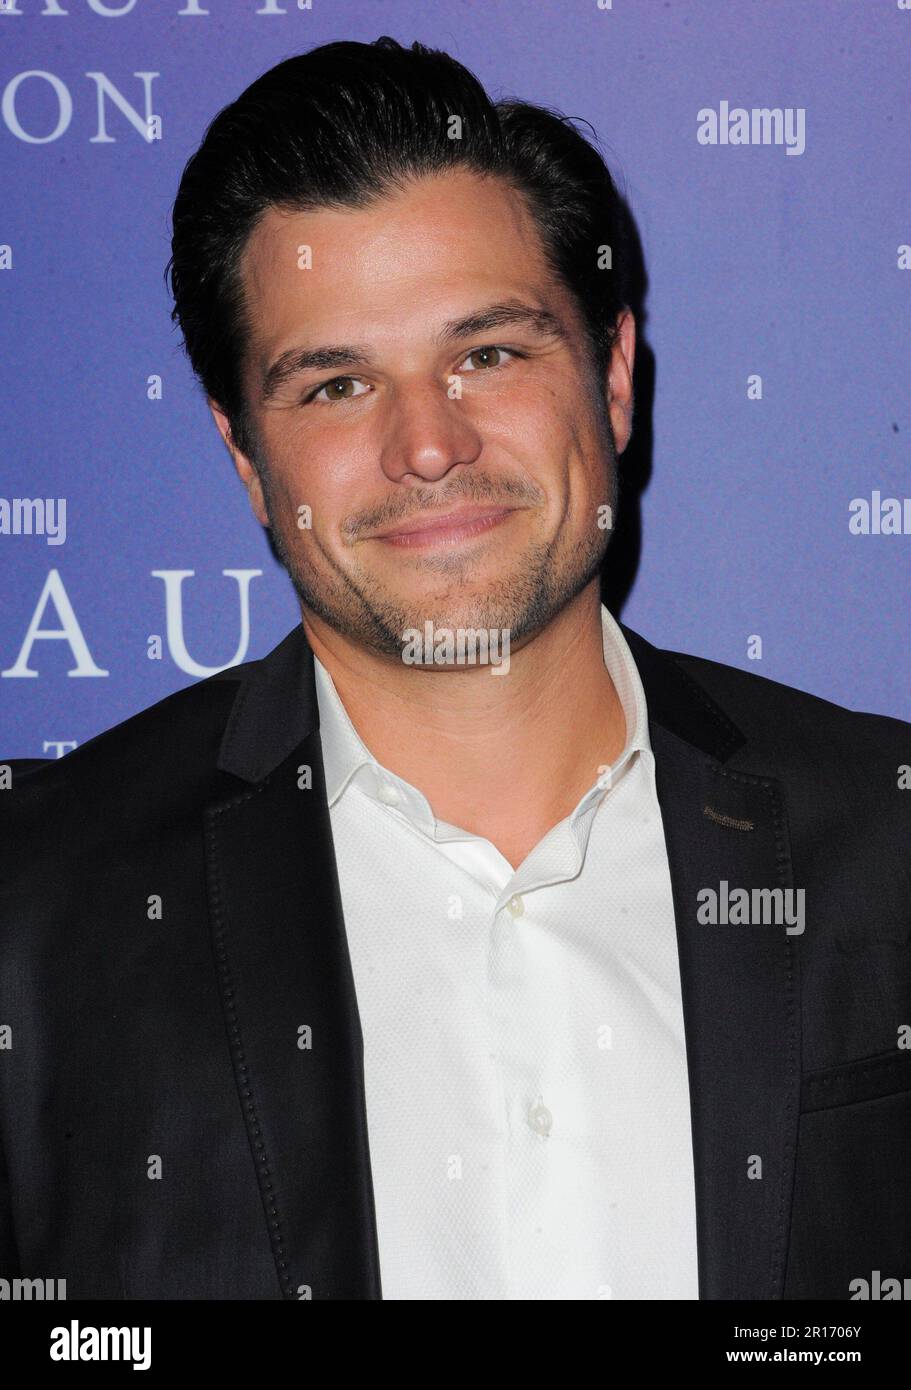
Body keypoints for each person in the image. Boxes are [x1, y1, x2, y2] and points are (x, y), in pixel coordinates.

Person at [1, 36, 909, 1302]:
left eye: (486, 352)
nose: (426, 443)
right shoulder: (38, 914)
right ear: (246, 457)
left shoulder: (886, 839)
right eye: (334, 384)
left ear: (611, 374)